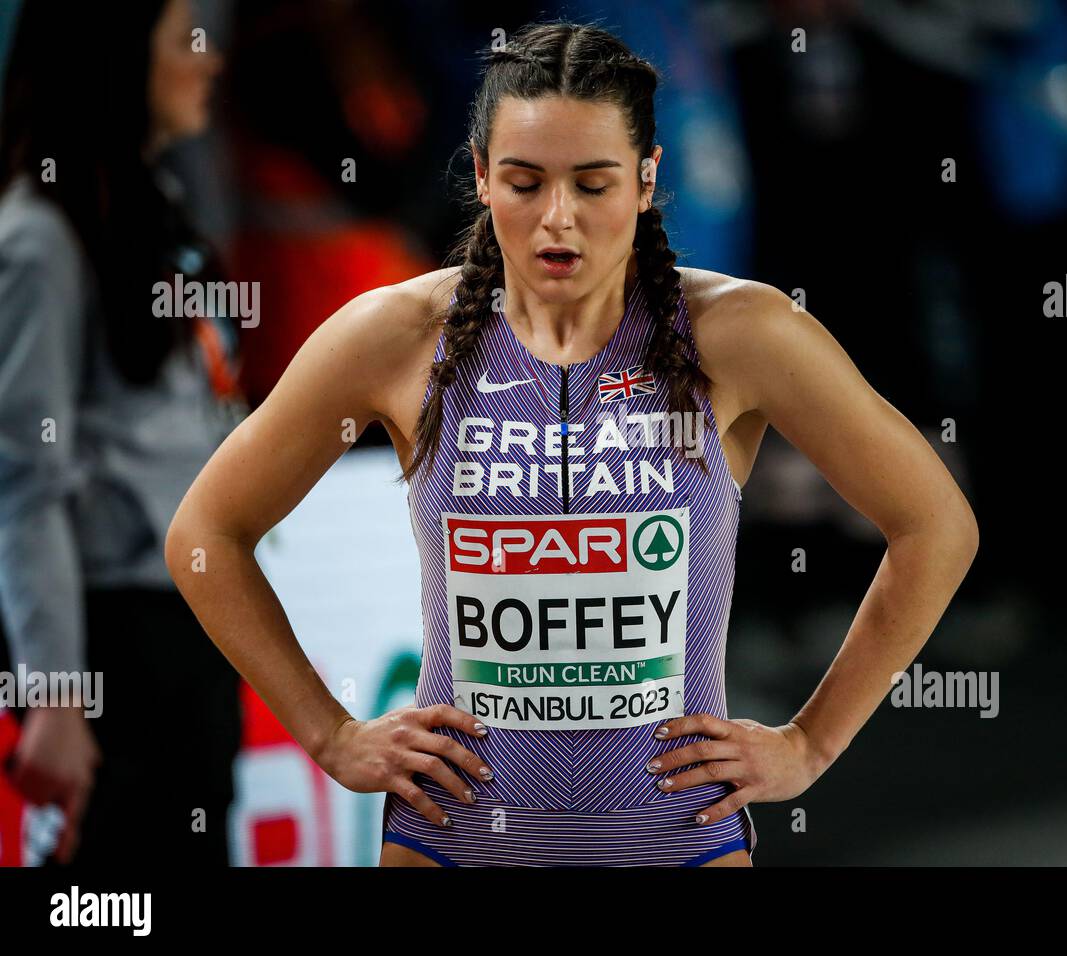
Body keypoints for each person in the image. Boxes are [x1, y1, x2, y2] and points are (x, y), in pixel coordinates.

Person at [167, 21, 979, 867]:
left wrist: (812, 744)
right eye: (525, 182)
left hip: (675, 844)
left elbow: (935, 526)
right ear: (480, 176)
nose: (559, 220)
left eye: (594, 185)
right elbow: (204, 537)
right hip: (456, 843)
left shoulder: (742, 333)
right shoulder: (396, 336)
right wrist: (330, 735)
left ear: (646, 178)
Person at [0, 0, 242, 864]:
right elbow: (27, 489)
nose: (209, 61)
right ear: (113, 61)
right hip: (117, 650)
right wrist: (58, 698)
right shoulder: (38, 239)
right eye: (186, 40)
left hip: (191, 630)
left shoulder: (153, 204)